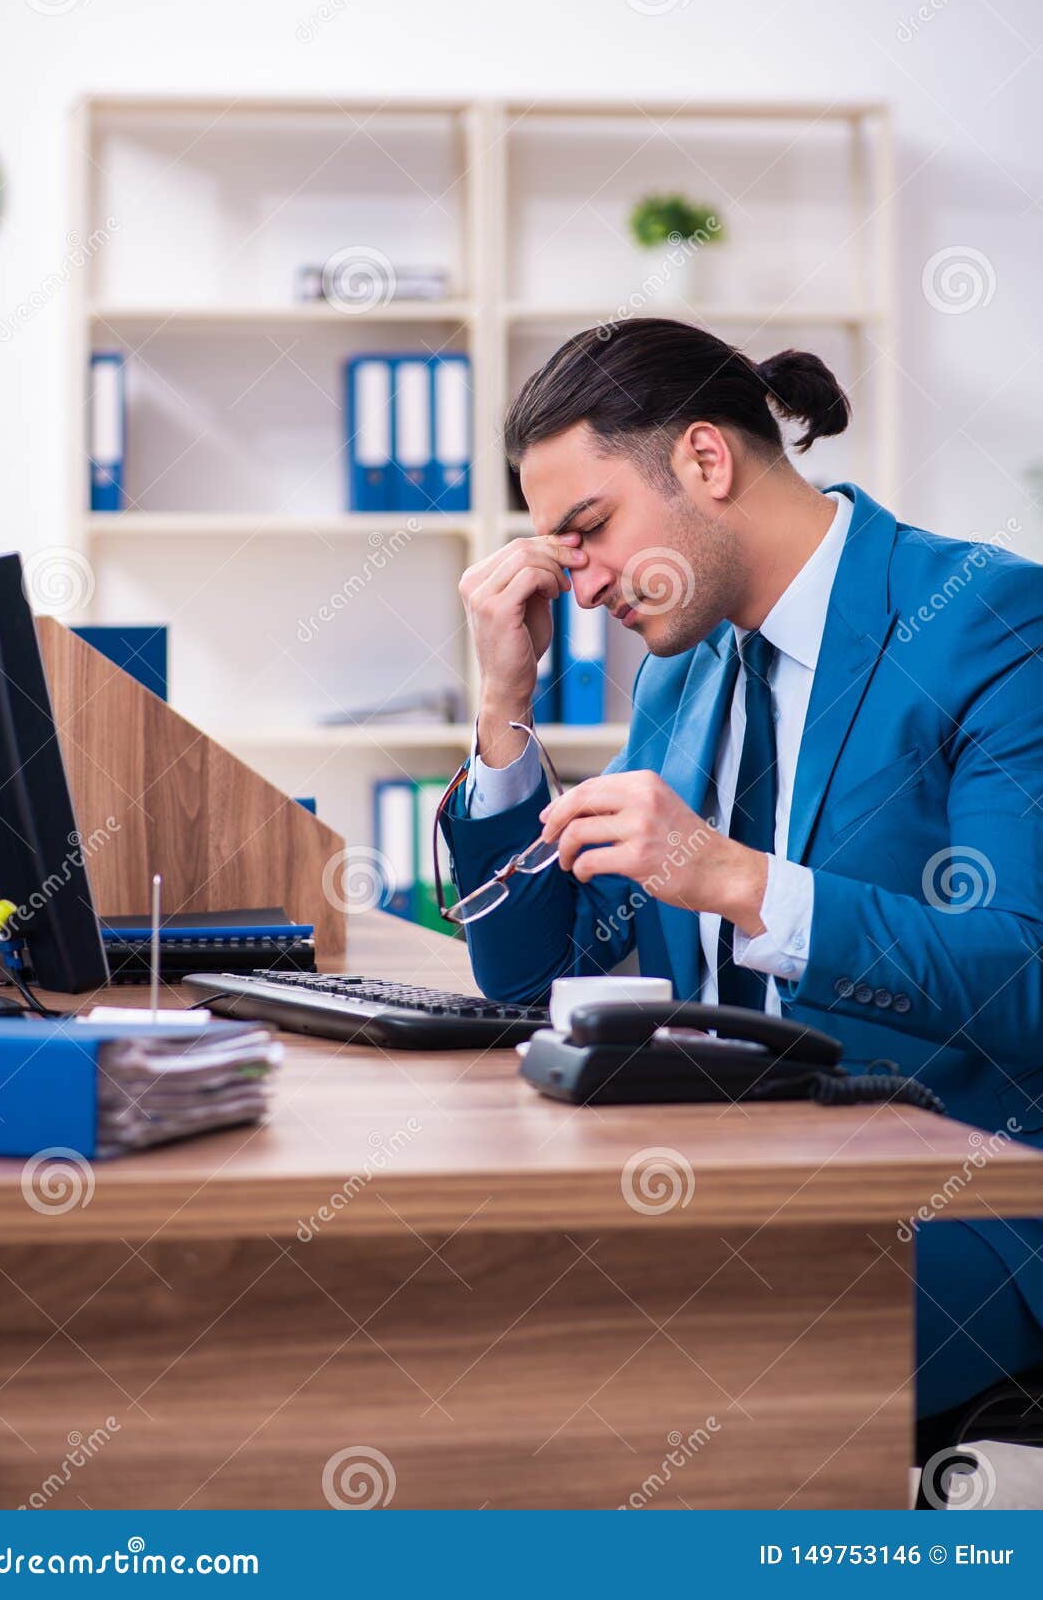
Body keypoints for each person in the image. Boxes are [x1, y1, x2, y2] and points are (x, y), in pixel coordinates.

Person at [439, 315, 1043, 1422]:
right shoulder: (686, 669)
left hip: (965, 1206)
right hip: (727, 1182)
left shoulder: (990, 623)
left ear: (706, 460)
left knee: (608, 1368)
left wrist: (738, 881)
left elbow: (1026, 975)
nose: (583, 587)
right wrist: (504, 706)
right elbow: (533, 981)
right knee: (465, 1294)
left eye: (591, 530)